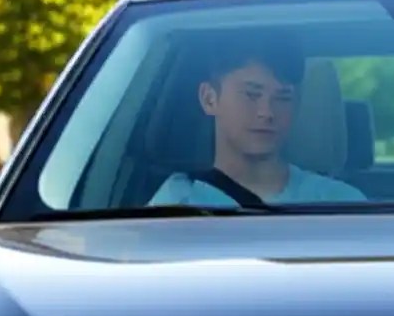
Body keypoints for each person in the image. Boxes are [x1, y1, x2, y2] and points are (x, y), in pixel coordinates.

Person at [148, 38, 366, 206]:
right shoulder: (177, 204)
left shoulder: (340, 204)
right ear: (209, 98)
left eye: (283, 98)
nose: (267, 112)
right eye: (251, 94)